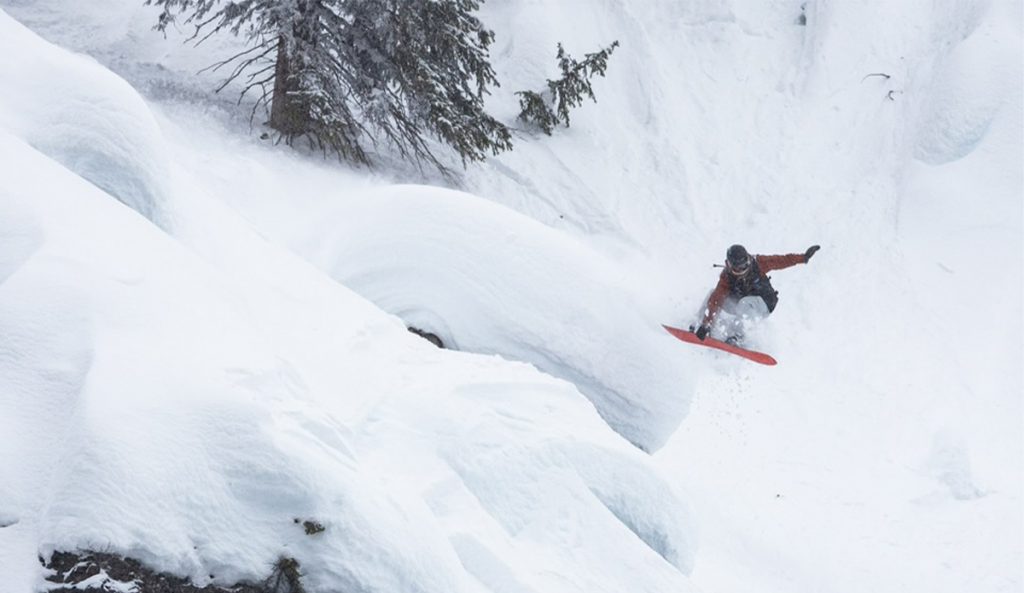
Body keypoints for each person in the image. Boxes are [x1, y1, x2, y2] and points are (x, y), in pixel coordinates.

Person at [694, 244, 820, 341]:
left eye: (744, 265)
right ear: (729, 264)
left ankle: (738, 336)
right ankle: (700, 326)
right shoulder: (726, 277)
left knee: (745, 302)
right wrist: (706, 324)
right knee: (713, 295)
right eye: (738, 268)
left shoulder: (758, 263)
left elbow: (781, 260)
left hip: (764, 303)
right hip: (743, 306)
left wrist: (803, 257)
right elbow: (716, 299)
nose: (742, 270)